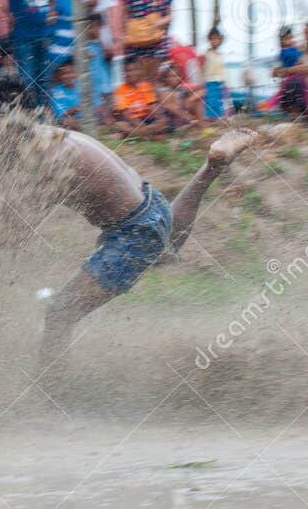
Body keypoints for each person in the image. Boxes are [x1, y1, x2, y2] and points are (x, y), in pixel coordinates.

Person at [32, 128, 257, 358]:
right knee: (166, 247)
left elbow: (17, 233)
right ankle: (211, 168)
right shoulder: (58, 136)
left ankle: (51, 391)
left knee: (60, 314)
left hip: (134, 233)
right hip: (150, 202)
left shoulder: (46, 160)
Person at [110, 54, 169, 136]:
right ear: (123, 73)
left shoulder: (146, 85)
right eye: (126, 71)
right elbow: (126, 114)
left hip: (147, 118)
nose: (128, 74)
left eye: (132, 70)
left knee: (163, 120)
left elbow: (153, 107)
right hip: (131, 120)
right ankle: (148, 134)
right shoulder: (119, 90)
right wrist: (142, 127)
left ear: (139, 72)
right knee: (121, 125)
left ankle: (133, 134)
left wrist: (160, 119)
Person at [274, 25, 304, 118]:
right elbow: (297, 60)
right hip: (291, 78)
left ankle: (295, 116)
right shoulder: (285, 51)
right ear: (282, 41)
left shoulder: (291, 49)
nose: (290, 40)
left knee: (293, 101)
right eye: (287, 38)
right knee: (293, 102)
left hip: (294, 77)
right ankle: (294, 116)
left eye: (291, 37)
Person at [201, 28, 226, 120]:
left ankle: (216, 120)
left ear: (220, 40)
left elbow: (221, 70)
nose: (215, 41)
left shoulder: (220, 54)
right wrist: (201, 83)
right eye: (212, 39)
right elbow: (201, 68)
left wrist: (224, 83)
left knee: (218, 102)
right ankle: (210, 120)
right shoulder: (207, 53)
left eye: (217, 39)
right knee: (210, 102)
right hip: (209, 82)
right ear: (209, 40)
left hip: (219, 82)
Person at [49, 61, 82, 129]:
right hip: (65, 119)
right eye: (64, 74)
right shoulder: (57, 91)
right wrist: (77, 108)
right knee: (69, 121)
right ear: (60, 76)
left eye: (71, 72)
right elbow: (62, 114)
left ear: (76, 73)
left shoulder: (81, 86)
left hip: (83, 118)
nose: (68, 76)